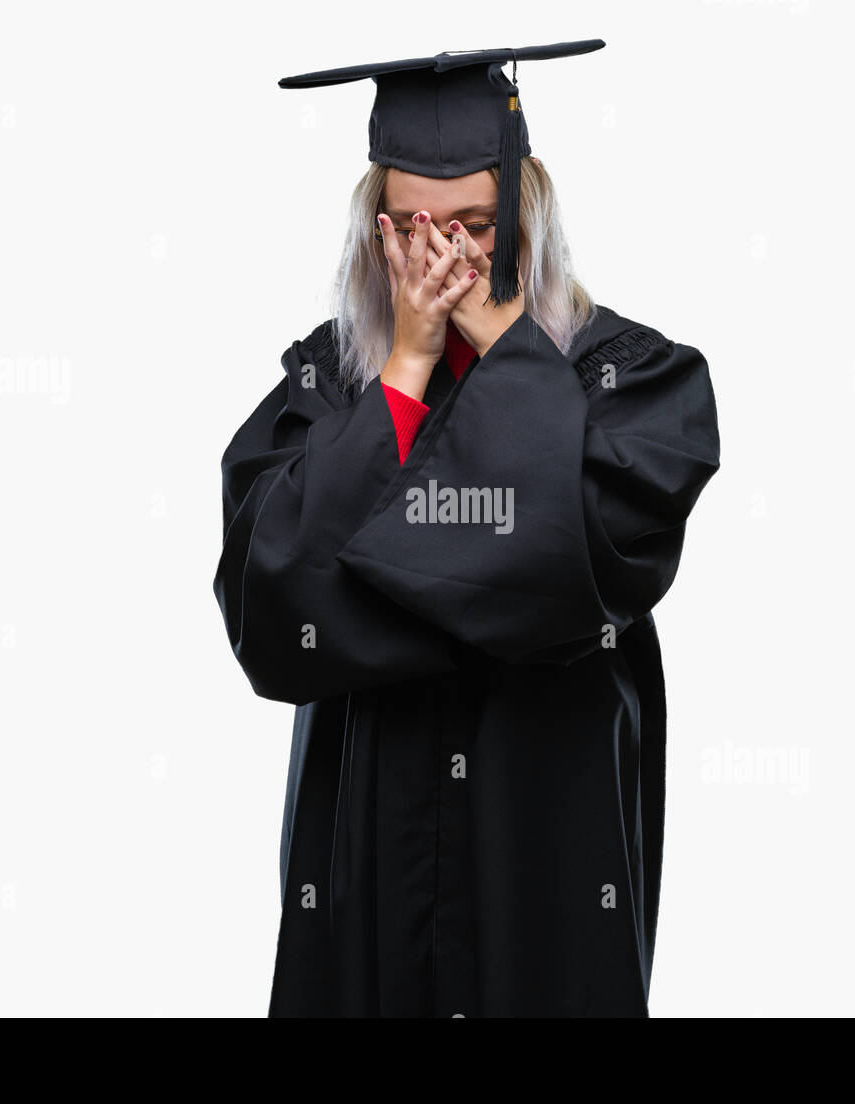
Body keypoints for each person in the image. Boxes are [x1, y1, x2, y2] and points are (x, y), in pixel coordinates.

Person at [212, 40, 721, 1017]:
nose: (442, 258)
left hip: (546, 819)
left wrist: (512, 355)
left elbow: (575, 570)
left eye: (475, 228)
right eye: (412, 228)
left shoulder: (632, 380)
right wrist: (405, 371)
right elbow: (274, 607)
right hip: (370, 828)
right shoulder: (330, 381)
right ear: (374, 233)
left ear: (526, 223)